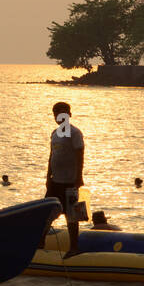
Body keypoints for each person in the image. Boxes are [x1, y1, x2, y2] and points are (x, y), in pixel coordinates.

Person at [44, 101, 85, 259]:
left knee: (72, 215)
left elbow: (80, 154)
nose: (60, 116)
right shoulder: (55, 133)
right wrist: (48, 177)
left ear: (70, 115)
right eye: (57, 113)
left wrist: (79, 178)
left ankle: (74, 247)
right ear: (54, 117)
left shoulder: (75, 133)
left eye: (64, 113)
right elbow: (51, 156)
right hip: (55, 182)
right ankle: (40, 242)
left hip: (70, 181)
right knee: (47, 213)